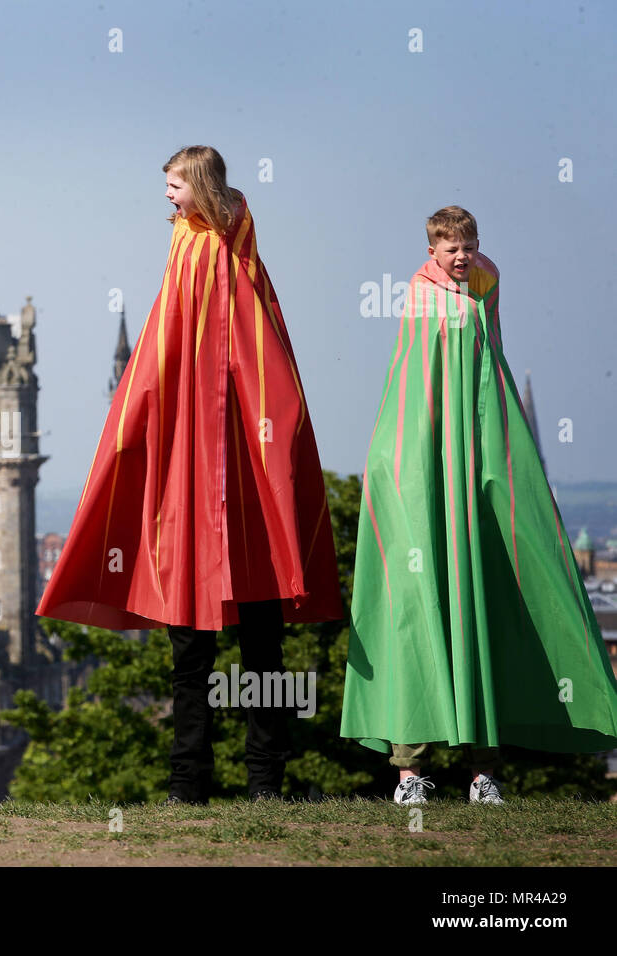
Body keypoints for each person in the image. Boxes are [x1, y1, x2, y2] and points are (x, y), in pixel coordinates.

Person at [36, 146, 343, 803]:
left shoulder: (205, 252)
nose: (166, 196)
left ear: (196, 186)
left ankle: (192, 785)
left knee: (197, 649)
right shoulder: (225, 249)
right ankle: (260, 783)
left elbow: (167, 361)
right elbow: (258, 367)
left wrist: (134, 429)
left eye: (173, 185)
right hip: (241, 484)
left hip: (203, 481)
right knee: (258, 647)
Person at [342, 206, 617, 805]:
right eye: (450, 248)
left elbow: (490, 367)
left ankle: (483, 769)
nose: (461, 256)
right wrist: (402, 464)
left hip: (479, 460)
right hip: (425, 466)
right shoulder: (419, 298)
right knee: (417, 609)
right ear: (432, 250)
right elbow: (411, 384)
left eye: (468, 245)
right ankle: (410, 771)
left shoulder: (488, 284)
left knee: (484, 603)